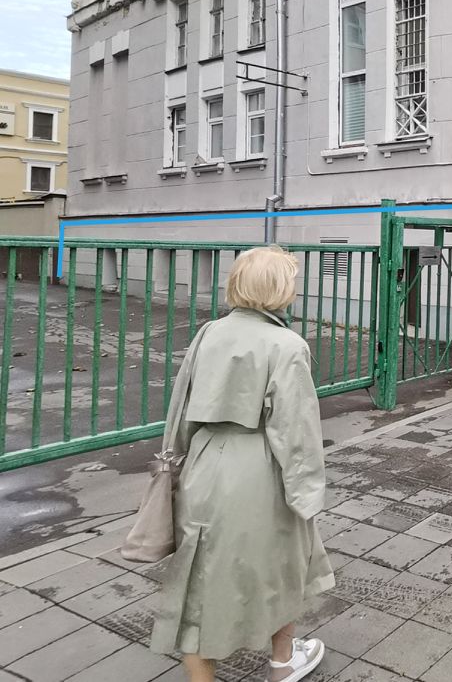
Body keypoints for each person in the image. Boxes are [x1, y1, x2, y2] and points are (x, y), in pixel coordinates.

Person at [151, 246, 333, 682]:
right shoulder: (287, 345)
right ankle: (282, 662)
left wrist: (174, 461)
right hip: (259, 468)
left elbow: (181, 404)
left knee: (198, 575)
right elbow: (296, 430)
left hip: (204, 461)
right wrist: (307, 494)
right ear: (280, 289)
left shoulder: (209, 333)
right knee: (282, 565)